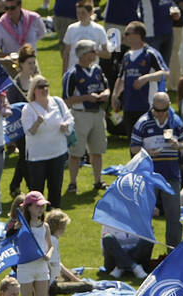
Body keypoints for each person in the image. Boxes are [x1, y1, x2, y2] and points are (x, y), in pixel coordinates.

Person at [131, 92, 183, 249]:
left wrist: (177, 145)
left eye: (163, 110)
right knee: (145, 216)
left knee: (174, 217)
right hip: (149, 176)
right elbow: (133, 148)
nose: (160, 114)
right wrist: (147, 152)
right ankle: (142, 253)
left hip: (171, 175)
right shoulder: (143, 123)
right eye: (156, 110)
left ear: (169, 106)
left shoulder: (176, 121)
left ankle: (172, 252)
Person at [63, 40, 109, 195]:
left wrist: (104, 95)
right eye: (92, 51)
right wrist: (86, 98)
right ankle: (73, 183)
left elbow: (107, 88)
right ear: (84, 54)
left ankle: (98, 180)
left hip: (97, 114)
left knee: (97, 150)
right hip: (80, 115)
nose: (95, 54)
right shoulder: (72, 73)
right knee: (76, 152)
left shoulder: (97, 70)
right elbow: (67, 99)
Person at [20, 76, 74, 205]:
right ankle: (35, 220)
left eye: (46, 85)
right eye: (40, 86)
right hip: (38, 157)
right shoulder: (28, 109)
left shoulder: (58, 102)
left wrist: (66, 125)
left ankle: (54, 217)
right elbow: (29, 132)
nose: (44, 89)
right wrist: (37, 123)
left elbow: (69, 118)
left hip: (58, 153)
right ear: (34, 90)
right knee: (37, 193)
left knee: (56, 189)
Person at [112, 22, 167, 132]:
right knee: (133, 143)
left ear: (137, 35)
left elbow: (165, 74)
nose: (124, 36)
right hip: (129, 107)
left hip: (147, 106)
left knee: (148, 141)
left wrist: (145, 78)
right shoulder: (127, 56)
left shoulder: (150, 54)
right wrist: (115, 95)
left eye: (127, 33)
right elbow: (121, 78)